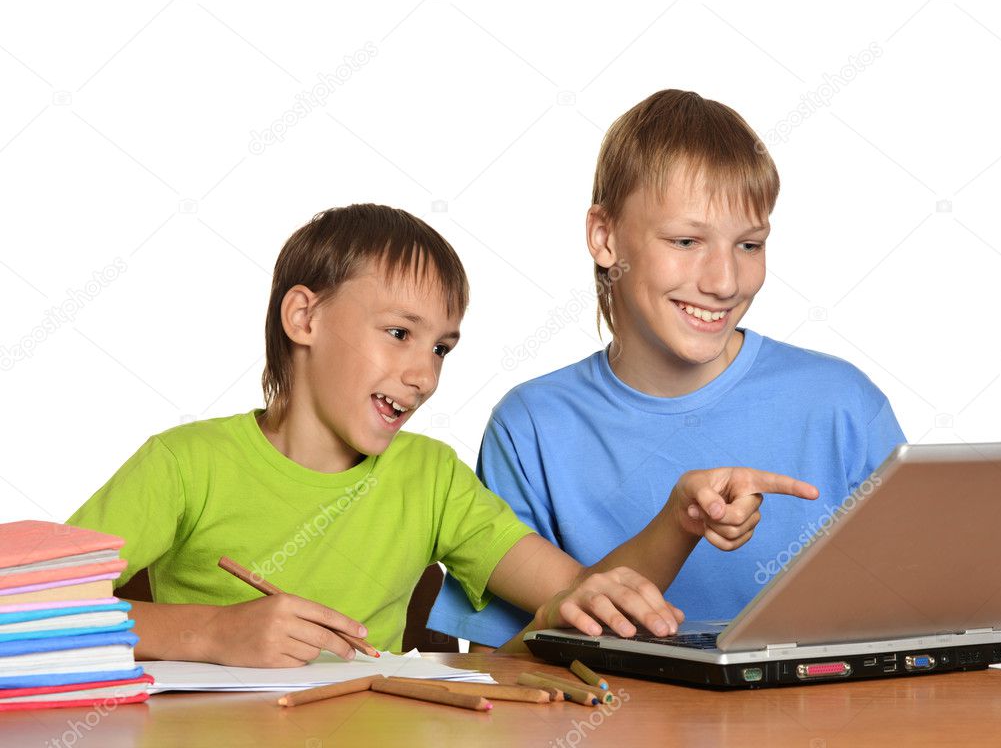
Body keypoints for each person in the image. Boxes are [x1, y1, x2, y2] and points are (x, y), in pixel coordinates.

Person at [67, 203, 813, 667]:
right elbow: (21, 610)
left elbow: (581, 598)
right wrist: (211, 635)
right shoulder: (185, 464)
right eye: (399, 333)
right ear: (304, 319)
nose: (423, 374)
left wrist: (679, 522)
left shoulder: (431, 477)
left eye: (442, 348)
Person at [427, 90, 906, 648]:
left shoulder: (842, 403)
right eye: (686, 240)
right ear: (604, 238)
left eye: (750, 244)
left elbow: (924, 616)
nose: (725, 281)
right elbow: (504, 676)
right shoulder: (531, 426)